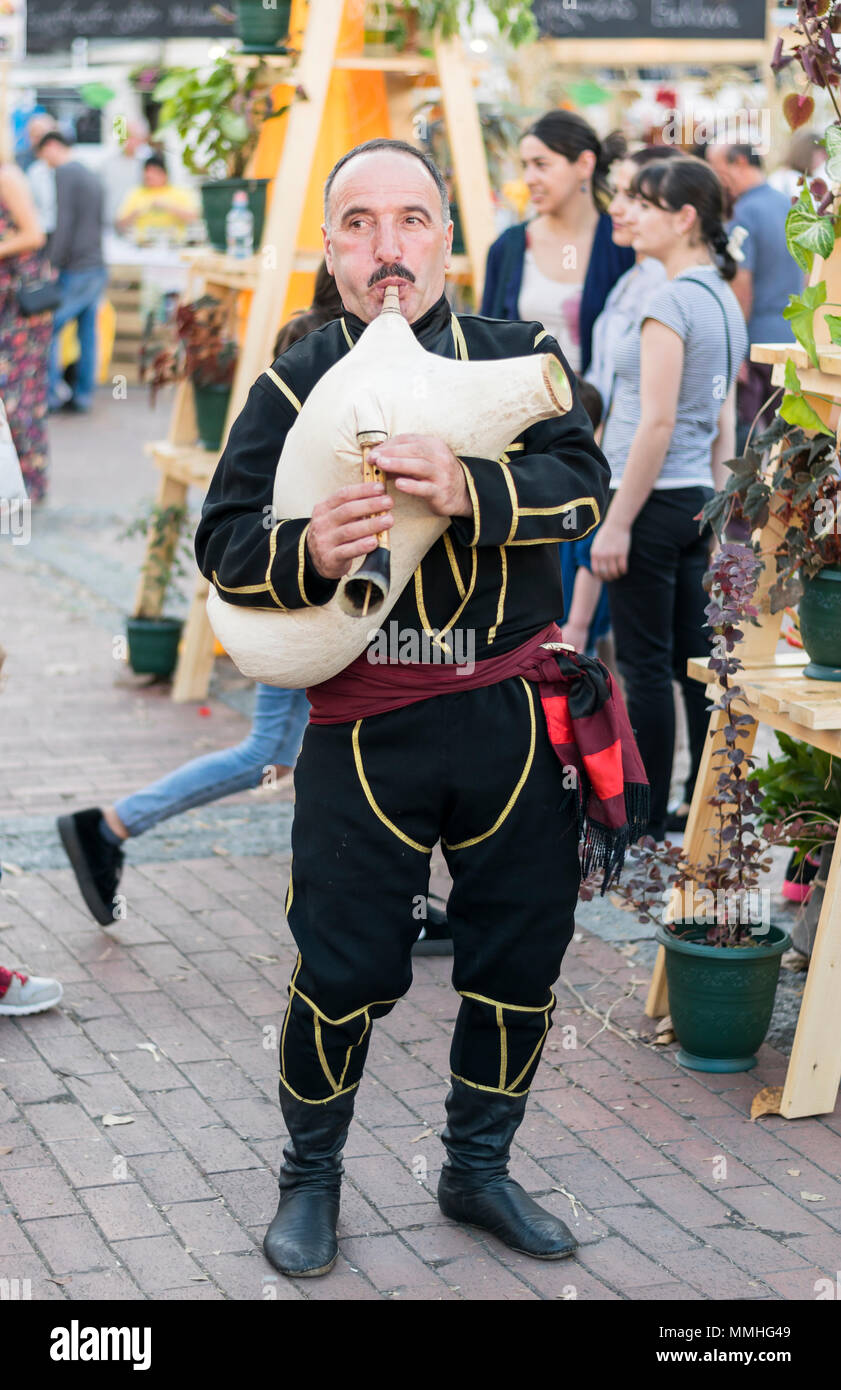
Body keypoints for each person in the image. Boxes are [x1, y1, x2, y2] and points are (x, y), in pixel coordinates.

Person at [194, 137, 647, 1279]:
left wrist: (469, 487)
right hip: (364, 725)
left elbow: (583, 483)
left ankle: (478, 1169)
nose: (387, 247)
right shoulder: (295, 380)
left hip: (508, 717)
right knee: (338, 964)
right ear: (334, 246)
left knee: (518, 956)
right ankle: (310, 1180)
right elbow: (222, 541)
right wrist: (303, 549)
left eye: (411, 220)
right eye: (359, 222)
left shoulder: (518, 354)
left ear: (447, 235)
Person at [590, 156, 748, 843]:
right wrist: (717, 508)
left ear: (684, 218)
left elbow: (654, 422)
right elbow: (721, 423)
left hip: (649, 504)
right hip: (691, 503)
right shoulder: (718, 296)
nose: (630, 213)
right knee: (690, 664)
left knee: (646, 667)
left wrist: (615, 523)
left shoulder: (669, 301)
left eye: (646, 204)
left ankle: (644, 819)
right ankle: (695, 804)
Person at [481, 111, 635, 375]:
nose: (529, 178)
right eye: (525, 165)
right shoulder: (508, 247)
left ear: (585, 164)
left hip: (598, 411)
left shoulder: (622, 244)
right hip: (526, 409)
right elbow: (484, 343)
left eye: (541, 164)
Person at [705, 142, 804, 450]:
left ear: (739, 163)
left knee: (747, 437)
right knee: (788, 438)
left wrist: (735, 345)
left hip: (756, 343)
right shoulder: (788, 204)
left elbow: (741, 283)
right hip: (792, 337)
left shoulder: (745, 212)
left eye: (718, 168)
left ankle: (745, 498)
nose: (717, 178)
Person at [37, 130, 107, 414]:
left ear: (52, 146)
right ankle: (83, 395)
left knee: (48, 328)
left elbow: (64, 220)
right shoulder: (90, 173)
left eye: (44, 155)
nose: (46, 163)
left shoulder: (65, 173)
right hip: (95, 263)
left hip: (76, 266)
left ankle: (51, 394)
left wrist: (52, 261)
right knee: (87, 333)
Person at [0, 162, 53, 503]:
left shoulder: (6, 176)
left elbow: (33, 234)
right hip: (8, 308)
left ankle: (26, 486)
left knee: (17, 398)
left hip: (20, 311)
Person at [115, 155, 199, 245]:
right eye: (147, 171)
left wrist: (168, 206)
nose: (149, 175)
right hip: (143, 247)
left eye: (154, 171)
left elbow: (194, 217)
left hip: (174, 246)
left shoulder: (179, 192)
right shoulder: (136, 193)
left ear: (164, 174)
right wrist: (137, 212)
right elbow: (120, 224)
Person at [100, 118, 153, 229]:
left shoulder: (149, 163)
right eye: (127, 136)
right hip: (110, 226)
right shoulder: (108, 163)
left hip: (141, 226)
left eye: (134, 136)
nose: (130, 140)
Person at [23, 114, 58, 237]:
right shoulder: (23, 164)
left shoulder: (66, 164)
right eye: (34, 135)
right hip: (36, 230)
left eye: (43, 134)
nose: (39, 140)